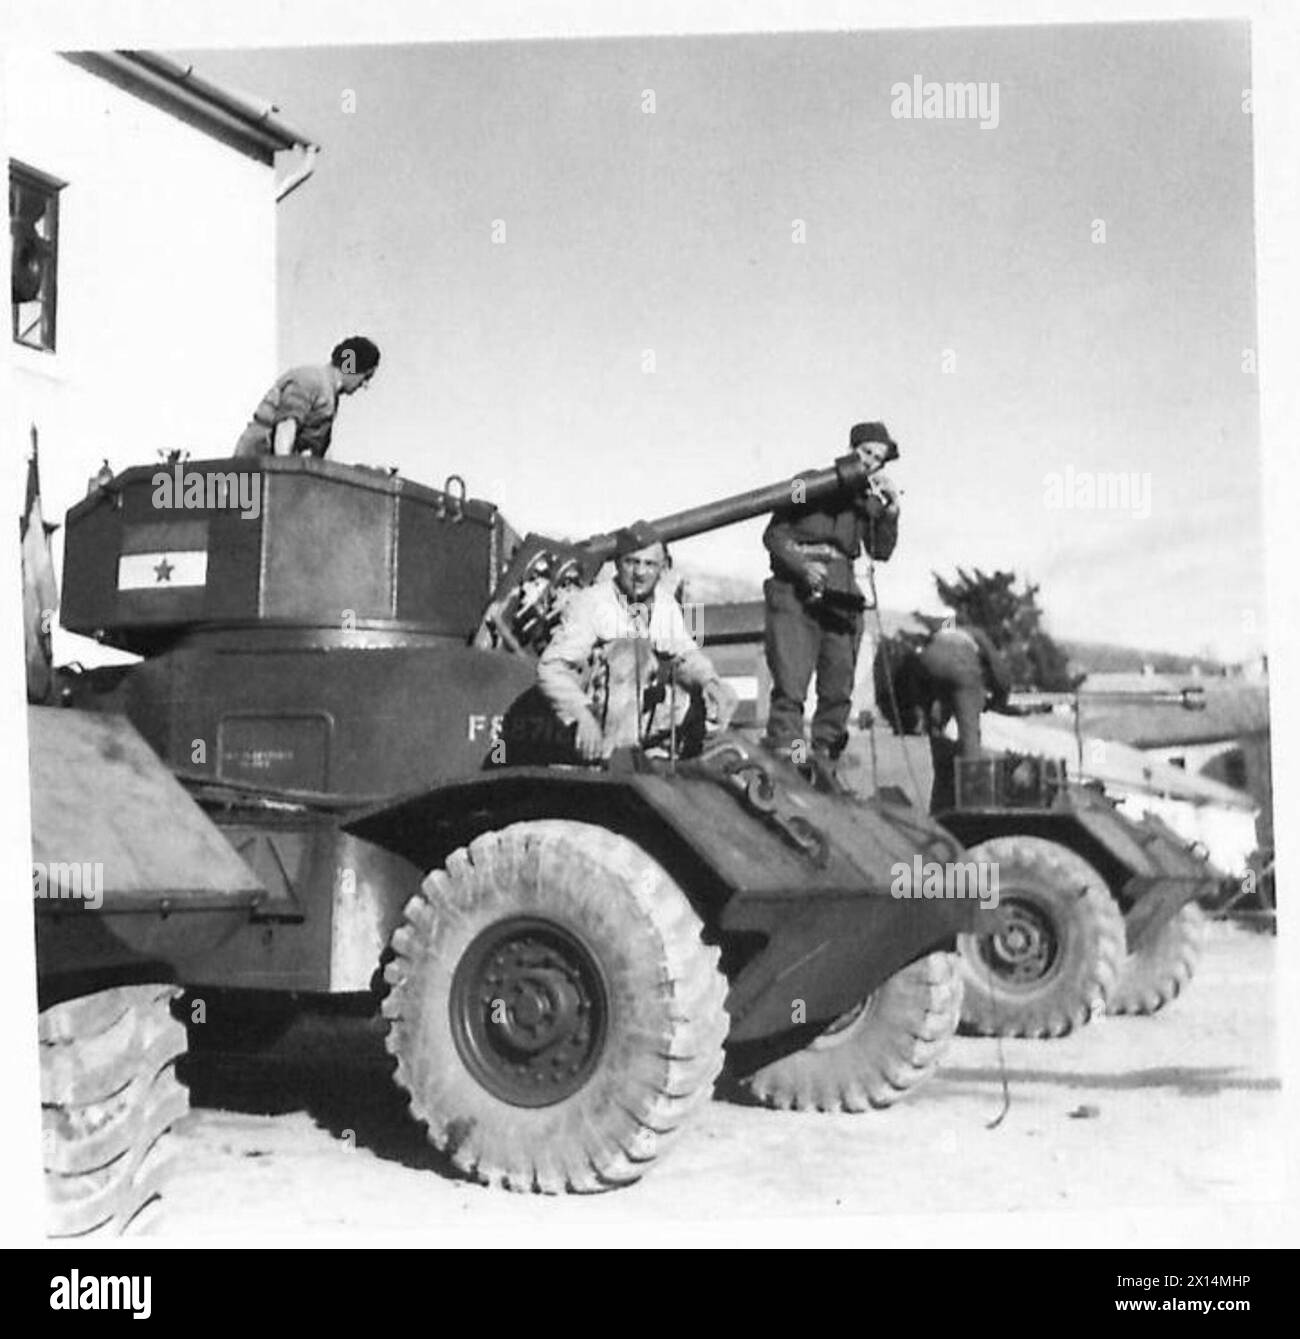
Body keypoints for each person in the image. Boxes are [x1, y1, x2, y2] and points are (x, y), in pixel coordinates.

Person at [761, 420, 900, 782]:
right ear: (853, 449)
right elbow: (774, 534)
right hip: (795, 590)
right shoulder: (811, 483)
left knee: (838, 687)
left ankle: (823, 760)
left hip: (842, 594)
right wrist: (801, 565)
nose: (871, 462)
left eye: (878, 459)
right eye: (867, 452)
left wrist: (891, 510)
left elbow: (881, 551)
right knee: (791, 683)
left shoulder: (867, 502)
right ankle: (790, 760)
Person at [537, 523, 737, 762]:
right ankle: (618, 761)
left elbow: (685, 655)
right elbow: (552, 668)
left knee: (698, 681)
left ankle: (676, 761)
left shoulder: (665, 605)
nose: (640, 572)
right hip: (597, 720)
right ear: (618, 564)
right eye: (632, 562)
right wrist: (581, 713)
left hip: (643, 719)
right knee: (631, 651)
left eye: (650, 564)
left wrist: (711, 683)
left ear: (663, 568)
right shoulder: (591, 603)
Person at [875, 618, 1012, 813]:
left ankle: (936, 761)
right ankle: (974, 801)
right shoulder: (977, 633)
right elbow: (1001, 674)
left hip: (929, 663)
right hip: (960, 665)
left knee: (936, 720)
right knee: (970, 734)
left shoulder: (944, 631)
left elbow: (941, 688)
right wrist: (1000, 697)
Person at [234, 336, 381, 459]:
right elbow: (286, 427)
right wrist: (285, 476)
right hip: (256, 467)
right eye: (366, 376)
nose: (364, 384)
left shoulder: (330, 395)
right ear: (351, 367)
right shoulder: (311, 380)